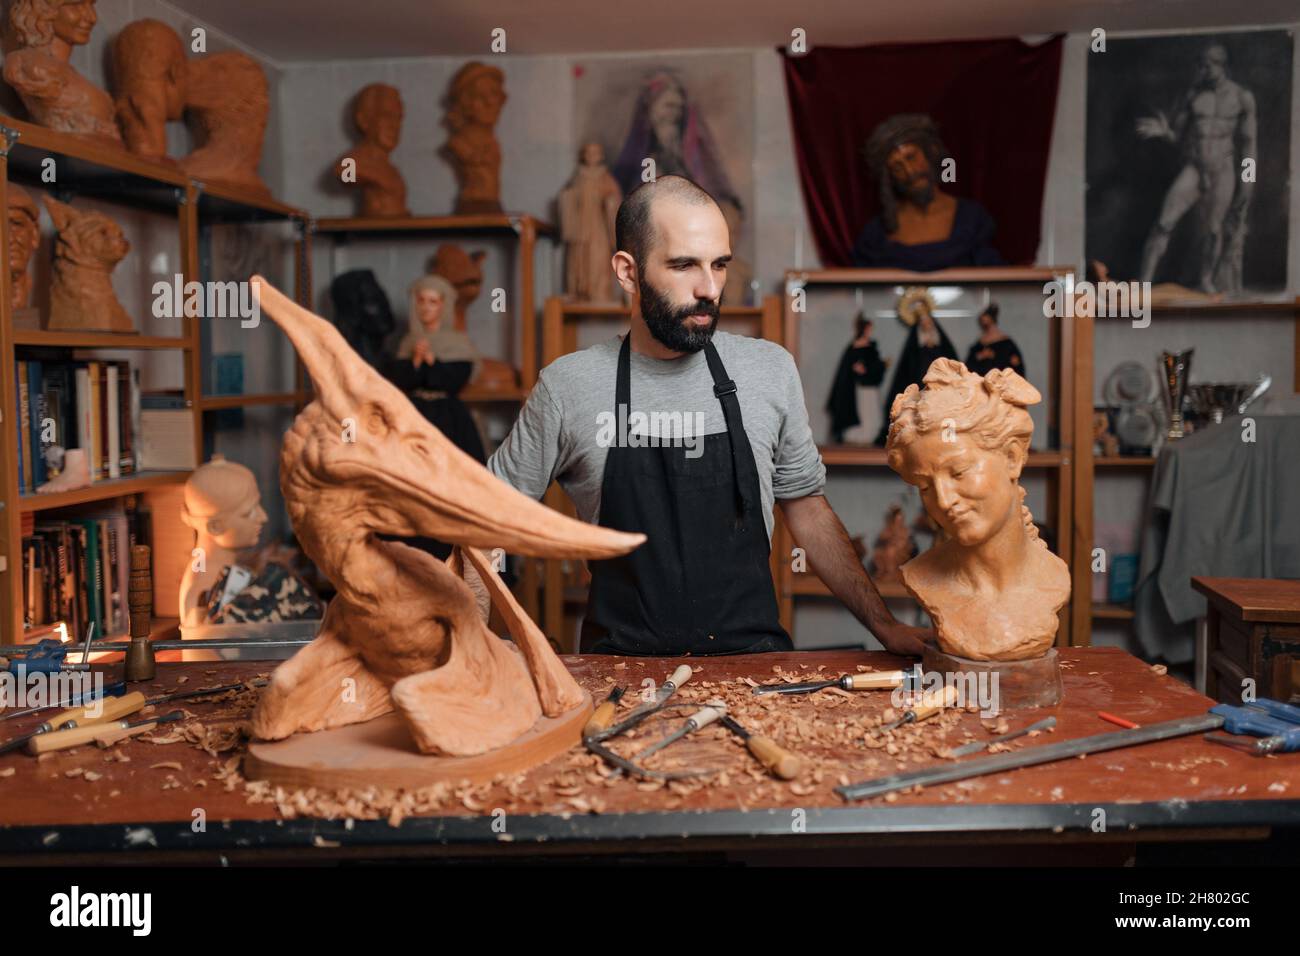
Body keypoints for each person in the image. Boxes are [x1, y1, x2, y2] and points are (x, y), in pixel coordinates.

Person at [488, 174, 930, 656]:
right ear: (628, 271)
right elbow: (484, 520)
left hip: (755, 669)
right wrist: (497, 645)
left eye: (719, 264)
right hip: (615, 676)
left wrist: (885, 627)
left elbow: (806, 508)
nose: (710, 288)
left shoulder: (769, 369)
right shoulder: (569, 386)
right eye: (683, 265)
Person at [1135, 42, 1255, 295]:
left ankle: (1206, 280)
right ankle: (1143, 283)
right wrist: (1164, 132)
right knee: (1164, 222)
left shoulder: (1242, 97)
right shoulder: (1193, 96)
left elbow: (1248, 145)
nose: (1205, 69)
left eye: (1210, 63)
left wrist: (1247, 183)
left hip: (1223, 169)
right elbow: (1179, 137)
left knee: (1213, 229)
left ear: (1223, 65)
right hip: (1195, 167)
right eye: (1201, 64)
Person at [851, 114, 1003, 271]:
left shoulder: (971, 218)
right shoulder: (875, 234)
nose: (909, 172)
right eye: (897, 167)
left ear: (931, 151)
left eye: (911, 157)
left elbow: (995, 284)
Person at [825, 314, 887, 444]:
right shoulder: (853, 347)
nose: (870, 331)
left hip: (870, 386)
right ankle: (857, 437)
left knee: (871, 412)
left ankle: (870, 436)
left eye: (871, 329)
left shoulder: (872, 346)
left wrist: (877, 367)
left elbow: (875, 364)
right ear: (863, 329)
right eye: (868, 329)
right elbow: (848, 366)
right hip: (859, 388)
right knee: (861, 412)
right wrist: (857, 369)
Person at [964, 303, 1025, 377]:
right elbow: (968, 367)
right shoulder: (978, 346)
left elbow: (1015, 367)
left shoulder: (1007, 344)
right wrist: (980, 357)